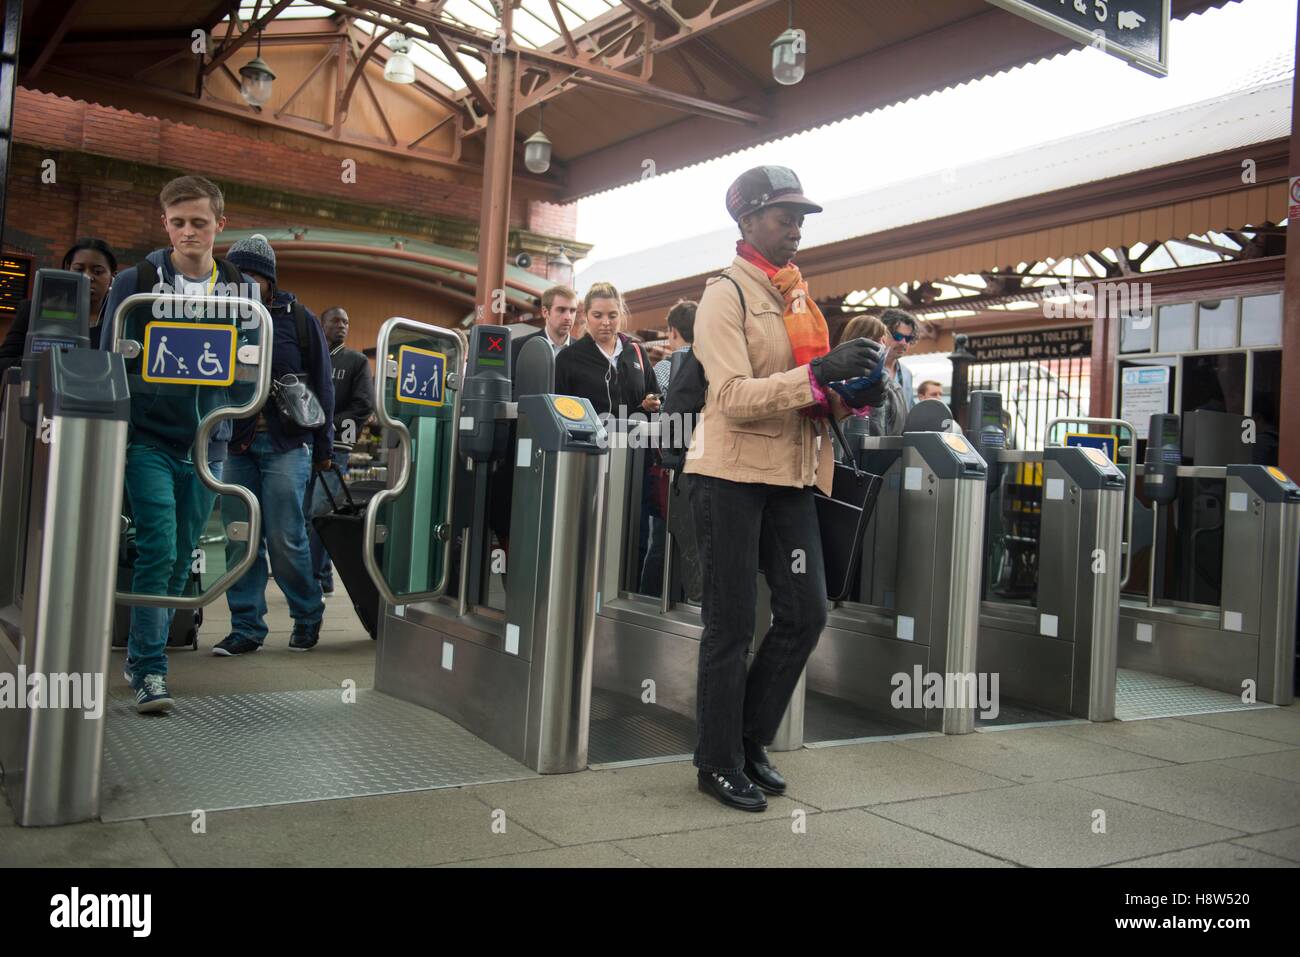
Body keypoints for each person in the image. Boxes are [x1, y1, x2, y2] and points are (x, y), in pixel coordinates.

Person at [685, 165, 885, 811]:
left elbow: (808, 398)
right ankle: (717, 761)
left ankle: (747, 738)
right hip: (729, 476)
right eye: (785, 216)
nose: (797, 228)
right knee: (731, 624)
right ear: (748, 221)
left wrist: (853, 396)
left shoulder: (796, 296)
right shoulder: (726, 295)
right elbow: (732, 397)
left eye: (801, 218)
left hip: (792, 476)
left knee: (806, 612)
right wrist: (820, 373)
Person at [101, 175, 254, 712]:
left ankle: (145, 656)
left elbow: (250, 362)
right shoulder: (136, 281)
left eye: (200, 222)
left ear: (220, 224)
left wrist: (230, 411)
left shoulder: (238, 288)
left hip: (209, 443)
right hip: (150, 439)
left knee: (181, 554)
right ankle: (149, 666)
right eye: (179, 222)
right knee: (158, 546)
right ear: (164, 224)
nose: (189, 232)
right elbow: (110, 356)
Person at [212, 235, 335, 656]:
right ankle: (246, 627)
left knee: (286, 537)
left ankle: (307, 614)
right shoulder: (221, 315)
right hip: (234, 444)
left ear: (269, 279)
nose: (245, 282)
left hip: (286, 444)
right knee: (239, 537)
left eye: (253, 275)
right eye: (237, 274)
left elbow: (323, 386)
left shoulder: (299, 319)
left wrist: (324, 448)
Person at [307, 306, 373, 596]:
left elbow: (364, 405)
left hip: (335, 450)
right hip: (302, 445)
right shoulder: (309, 357)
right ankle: (321, 577)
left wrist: (326, 424)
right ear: (322, 325)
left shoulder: (356, 361)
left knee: (319, 512)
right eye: (335, 320)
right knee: (302, 514)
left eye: (346, 321)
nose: (342, 325)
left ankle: (315, 579)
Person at [0, 238, 118, 371]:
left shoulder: (119, 319)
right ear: (68, 270)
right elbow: (3, 362)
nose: (87, 277)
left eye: (97, 272)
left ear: (112, 277)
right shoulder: (33, 310)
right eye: (79, 269)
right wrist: (41, 363)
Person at [554, 282, 660, 419]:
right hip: (590, 433)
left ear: (621, 315)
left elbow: (654, 393)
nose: (605, 322)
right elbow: (559, 411)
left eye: (612, 316)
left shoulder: (637, 352)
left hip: (636, 432)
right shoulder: (568, 358)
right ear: (586, 315)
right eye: (597, 315)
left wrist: (651, 401)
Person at [512, 285, 578, 364]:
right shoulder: (519, 347)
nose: (568, 317)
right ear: (545, 312)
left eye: (572, 311)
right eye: (561, 310)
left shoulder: (584, 351)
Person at [882, 307, 918, 411]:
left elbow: (909, 409)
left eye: (908, 338)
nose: (903, 343)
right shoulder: (868, 368)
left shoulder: (907, 374)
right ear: (882, 335)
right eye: (897, 336)